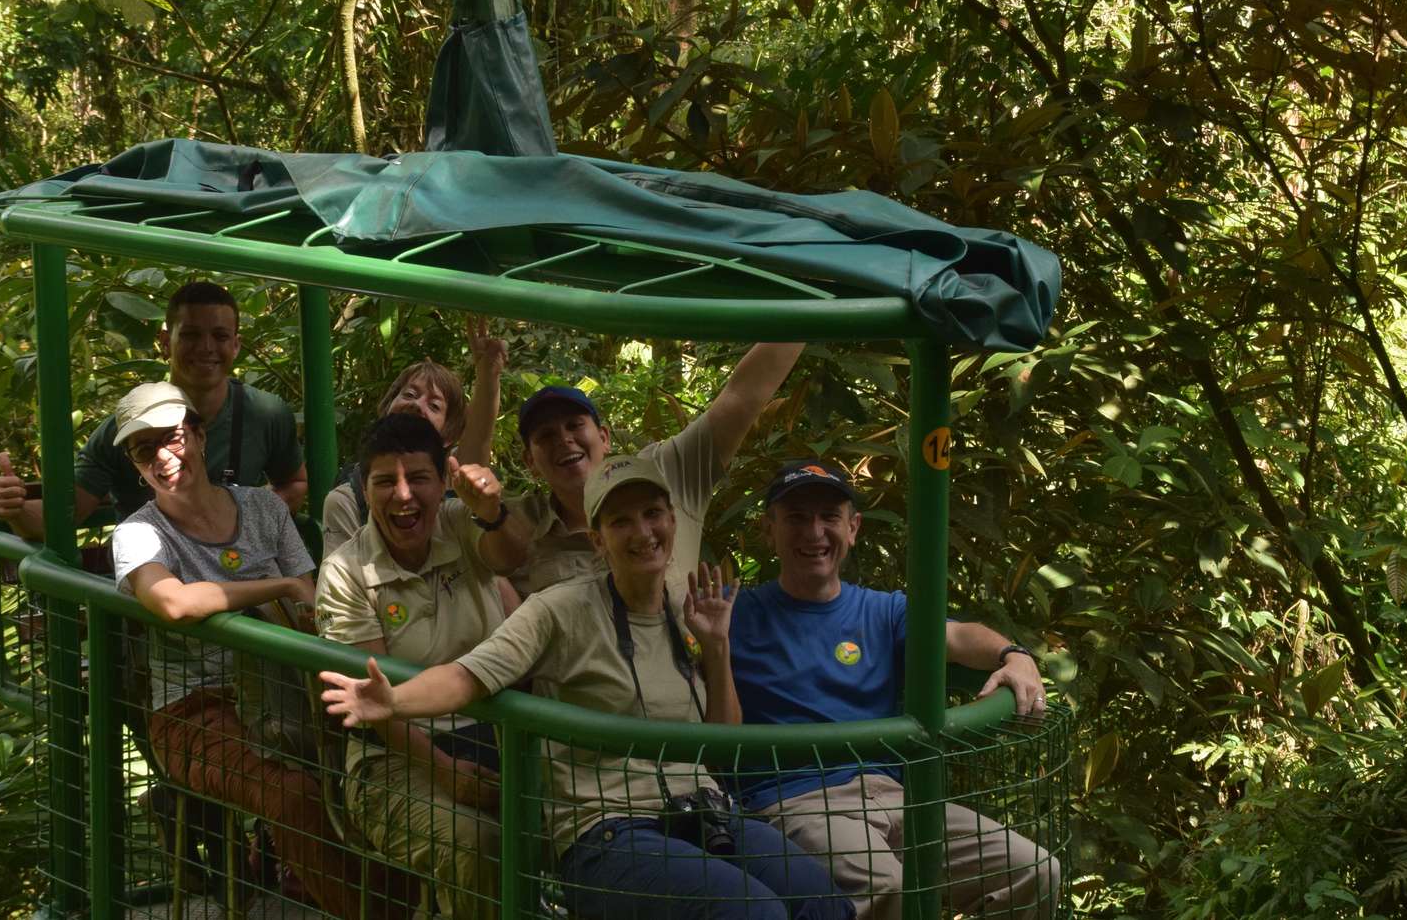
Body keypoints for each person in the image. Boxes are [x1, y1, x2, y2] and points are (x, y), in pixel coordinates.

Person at [322, 456, 853, 920]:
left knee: (823, 904)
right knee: (751, 911)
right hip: (605, 830)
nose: (642, 532)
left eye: (652, 514)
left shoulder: (685, 608)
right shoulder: (560, 608)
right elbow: (467, 676)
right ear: (598, 540)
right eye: (621, 521)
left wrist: (716, 649)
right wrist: (393, 699)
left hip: (702, 812)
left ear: (672, 521)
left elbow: (722, 747)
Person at [104, 381, 389, 918]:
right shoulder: (138, 535)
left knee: (378, 764)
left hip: (287, 689)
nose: (164, 457)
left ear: (198, 435)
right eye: (145, 450)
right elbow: (174, 604)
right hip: (193, 708)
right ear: (135, 464)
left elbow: (313, 604)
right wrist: (274, 587)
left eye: (172, 438)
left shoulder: (262, 508)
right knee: (295, 795)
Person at [728, 460, 1058, 920]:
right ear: (769, 530)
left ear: (853, 528)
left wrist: (1015, 655)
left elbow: (960, 637)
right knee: (887, 888)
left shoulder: (883, 611)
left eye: (829, 518)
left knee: (1033, 870)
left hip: (894, 795)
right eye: (797, 518)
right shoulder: (733, 613)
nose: (814, 533)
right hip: (798, 800)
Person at [313, 413, 531, 920]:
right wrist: (446, 773)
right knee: (476, 842)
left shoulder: (460, 521)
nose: (404, 495)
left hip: (497, 736)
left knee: (579, 818)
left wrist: (493, 513)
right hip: (394, 760)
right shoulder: (345, 572)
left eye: (419, 478)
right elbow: (376, 701)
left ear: (443, 481)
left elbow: (511, 557)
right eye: (385, 481)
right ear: (365, 491)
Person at [0, 281, 308, 542]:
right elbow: (59, 518)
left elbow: (295, 483)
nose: (207, 347)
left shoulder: (264, 413)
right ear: (165, 342)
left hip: (237, 573)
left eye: (220, 336)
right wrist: (15, 508)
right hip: (156, 585)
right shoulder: (127, 427)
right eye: (191, 335)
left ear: (236, 346)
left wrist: (246, 521)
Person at [499, 342, 804, 595]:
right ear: (530, 462)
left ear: (604, 438)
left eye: (574, 425)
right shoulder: (512, 526)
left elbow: (742, 397)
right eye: (546, 436)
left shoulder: (664, 471)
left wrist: (816, 300)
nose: (564, 440)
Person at [319, 316, 508, 558]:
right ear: (388, 405)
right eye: (409, 394)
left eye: (434, 406)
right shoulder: (349, 499)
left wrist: (488, 374)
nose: (418, 405)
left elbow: (478, 439)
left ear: (449, 434)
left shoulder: (455, 480)